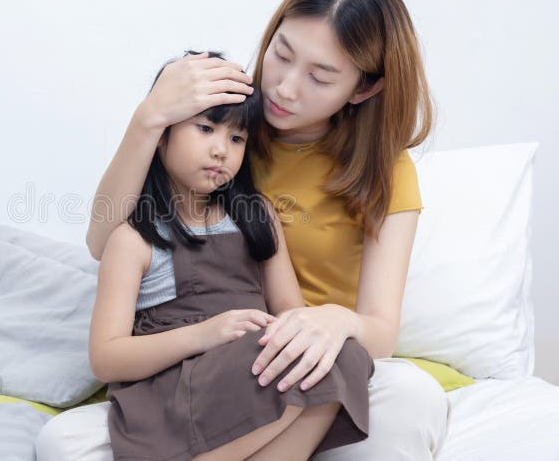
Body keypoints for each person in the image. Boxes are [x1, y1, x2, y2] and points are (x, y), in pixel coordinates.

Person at [36, 0, 449, 460]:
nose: (285, 88)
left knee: (411, 397)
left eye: (320, 77)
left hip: (311, 356)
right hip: (212, 362)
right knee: (61, 443)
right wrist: (150, 117)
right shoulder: (230, 124)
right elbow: (103, 241)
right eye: (282, 53)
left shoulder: (385, 169)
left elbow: (379, 329)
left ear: (363, 89)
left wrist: (334, 322)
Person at [78, 50, 375, 460]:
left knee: (340, 355)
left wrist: (305, 334)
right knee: (305, 360)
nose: (222, 150)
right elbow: (106, 358)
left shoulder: (257, 216)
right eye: (205, 128)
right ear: (161, 135)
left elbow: (291, 311)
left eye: (236, 138)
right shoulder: (134, 238)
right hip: (174, 389)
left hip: (246, 373)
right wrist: (205, 334)